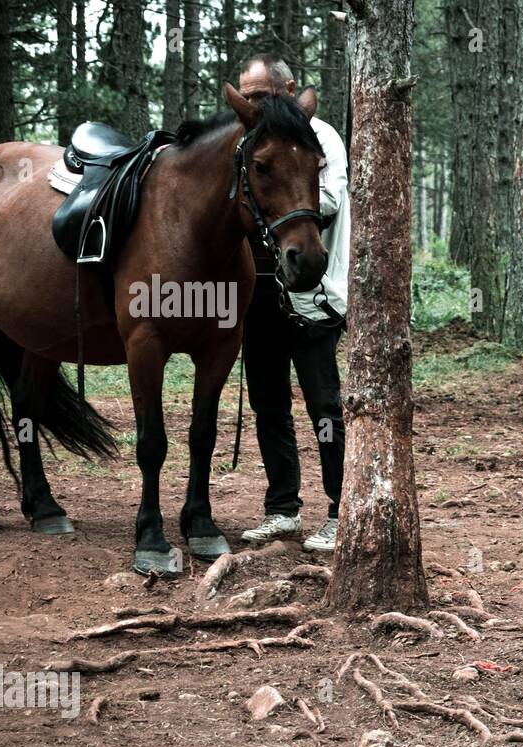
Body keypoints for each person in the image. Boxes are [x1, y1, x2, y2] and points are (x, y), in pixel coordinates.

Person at [236, 54, 348, 553]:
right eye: (246, 96)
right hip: (259, 294)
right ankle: (282, 508)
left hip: (313, 294)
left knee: (324, 405)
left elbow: (328, 201)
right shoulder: (248, 144)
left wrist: (277, 184)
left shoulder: (320, 136)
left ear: (288, 88)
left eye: (260, 96)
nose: (251, 104)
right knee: (269, 405)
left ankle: (340, 510)